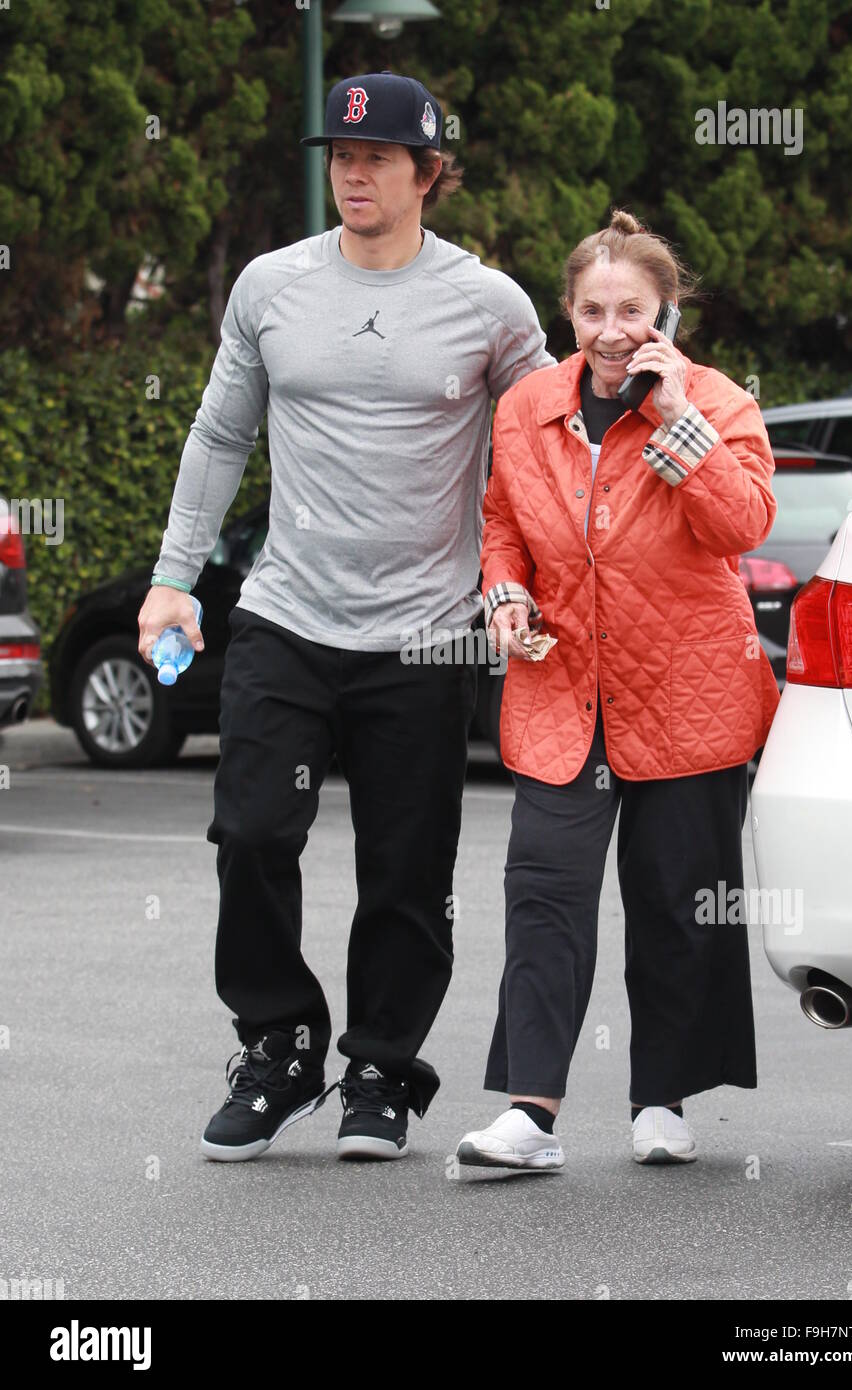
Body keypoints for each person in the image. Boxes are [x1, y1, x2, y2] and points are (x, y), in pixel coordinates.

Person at [136, 72, 554, 1163]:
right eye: (339, 154)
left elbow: (546, 438)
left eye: (376, 156)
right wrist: (175, 575)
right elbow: (220, 434)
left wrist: (533, 580)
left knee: (407, 865)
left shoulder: (489, 304)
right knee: (253, 834)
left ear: (427, 172)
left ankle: (380, 1065)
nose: (353, 172)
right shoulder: (271, 285)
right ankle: (278, 1044)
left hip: (426, 628)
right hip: (287, 615)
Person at [455, 208, 780, 1171]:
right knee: (543, 894)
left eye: (630, 310)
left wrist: (675, 419)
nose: (609, 330)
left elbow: (742, 525)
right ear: (566, 311)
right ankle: (529, 1113)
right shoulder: (526, 407)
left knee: (678, 900)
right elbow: (503, 522)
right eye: (591, 309)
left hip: (688, 688)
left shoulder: (715, 402)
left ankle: (662, 1101)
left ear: (665, 315)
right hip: (564, 688)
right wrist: (504, 595)